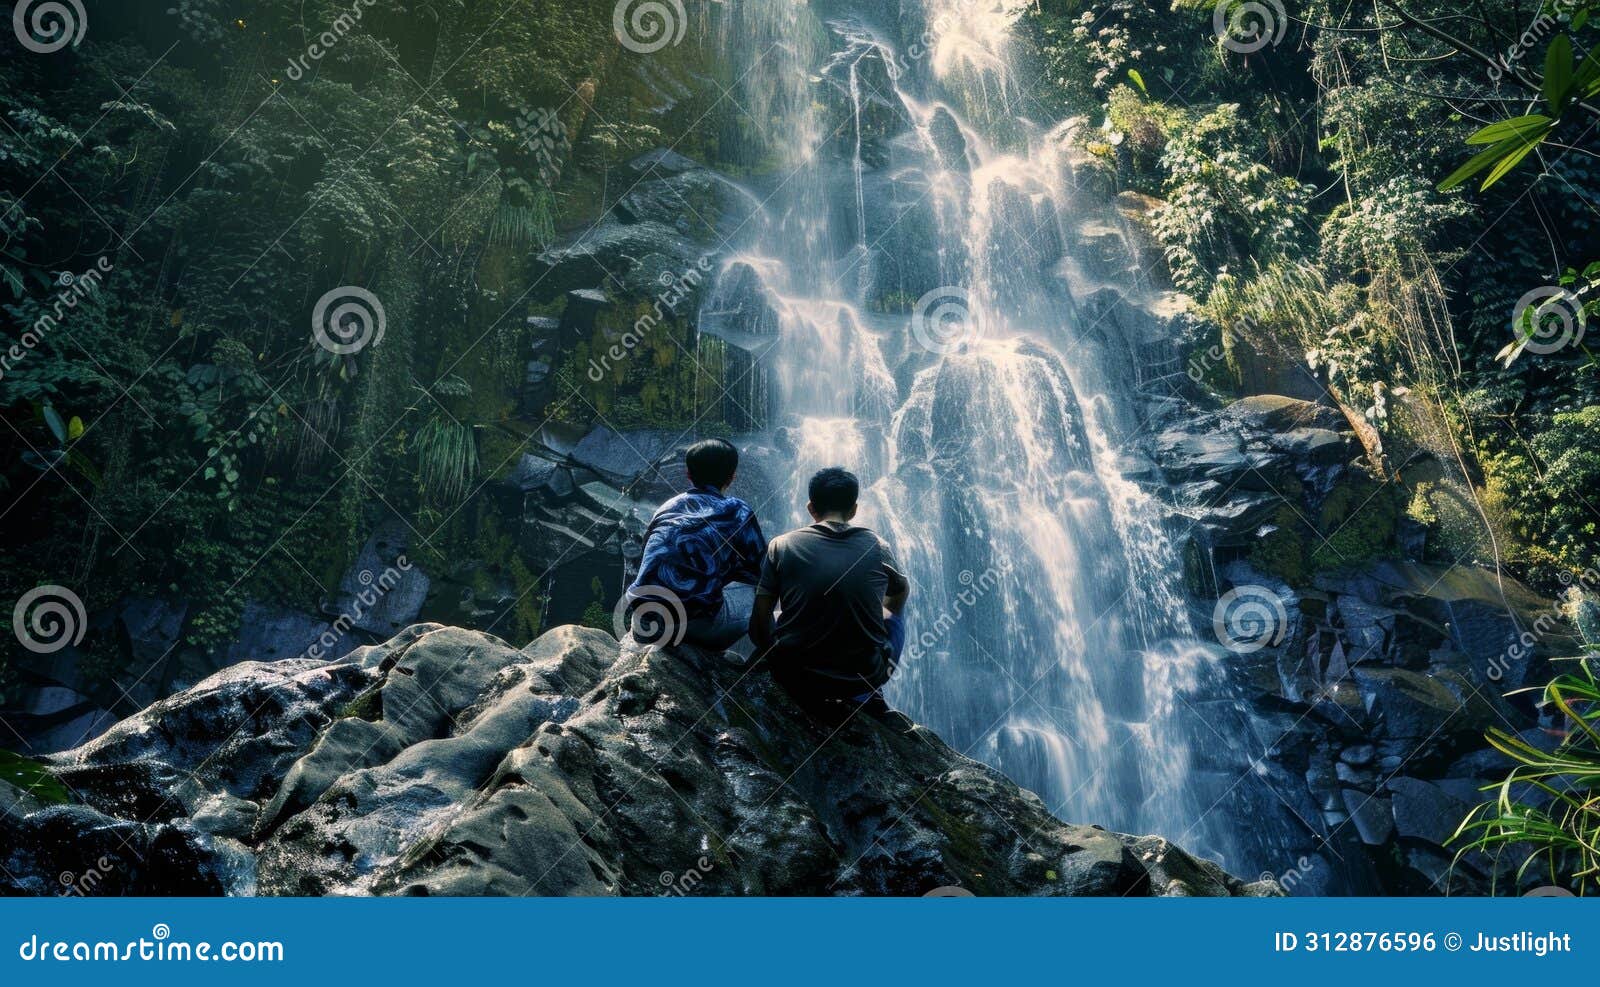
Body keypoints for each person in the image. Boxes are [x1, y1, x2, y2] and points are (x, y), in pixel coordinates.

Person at [749, 467, 910, 718]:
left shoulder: (781, 545)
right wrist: (877, 615)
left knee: (779, 615)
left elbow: (759, 621)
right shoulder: (879, 546)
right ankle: (868, 692)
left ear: (810, 508)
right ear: (854, 510)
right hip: (862, 680)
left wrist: (772, 654)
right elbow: (901, 590)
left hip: (794, 675)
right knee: (895, 618)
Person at [624, 438, 767, 650]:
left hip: (643, 621)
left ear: (688, 475)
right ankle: (770, 651)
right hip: (691, 629)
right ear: (732, 476)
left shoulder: (667, 507)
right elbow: (760, 571)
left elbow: (648, 557)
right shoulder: (737, 511)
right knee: (758, 591)